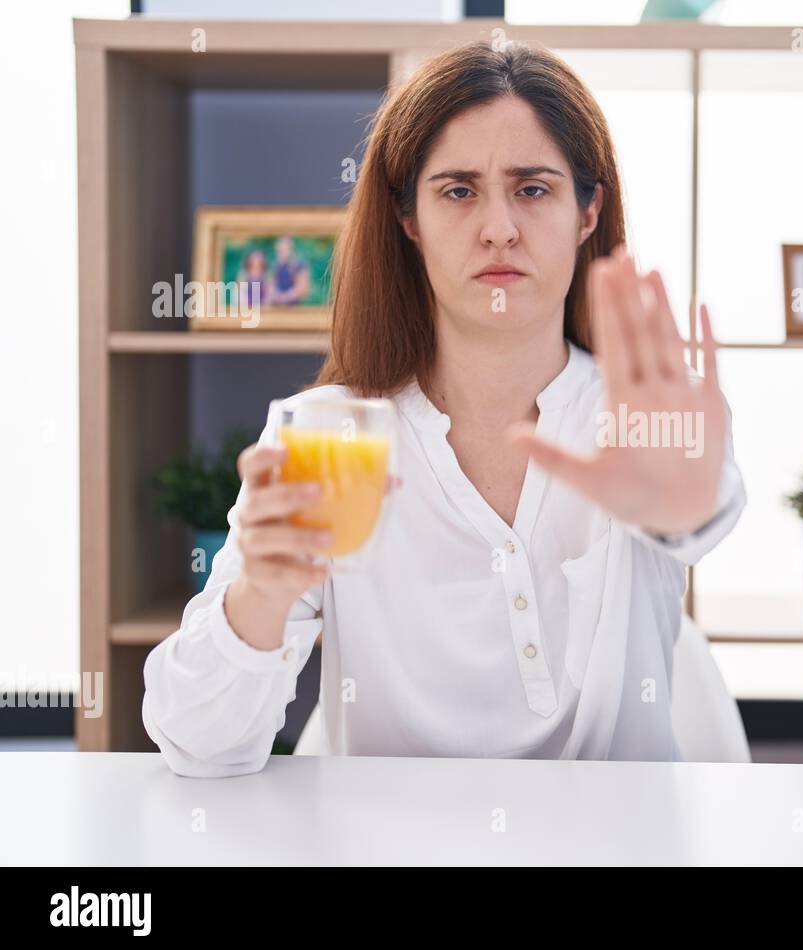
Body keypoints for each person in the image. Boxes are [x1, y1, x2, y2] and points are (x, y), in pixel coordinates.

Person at [141, 38, 746, 776]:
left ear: (589, 210)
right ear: (409, 219)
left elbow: (700, 496)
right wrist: (261, 593)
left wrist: (686, 501)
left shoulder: (641, 413)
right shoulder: (331, 435)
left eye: (533, 189)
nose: (498, 227)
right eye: (458, 190)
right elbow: (196, 746)